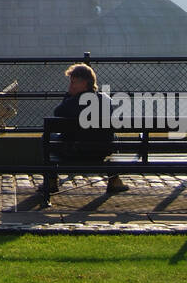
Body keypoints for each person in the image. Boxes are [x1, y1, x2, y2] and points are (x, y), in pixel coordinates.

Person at [45, 62, 126, 196]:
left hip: (75, 152)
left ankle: (51, 181)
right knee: (112, 137)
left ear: (84, 83)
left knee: (47, 138)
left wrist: (69, 96)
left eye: (73, 82)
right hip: (100, 153)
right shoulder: (106, 100)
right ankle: (115, 180)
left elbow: (57, 112)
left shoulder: (72, 103)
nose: (70, 86)